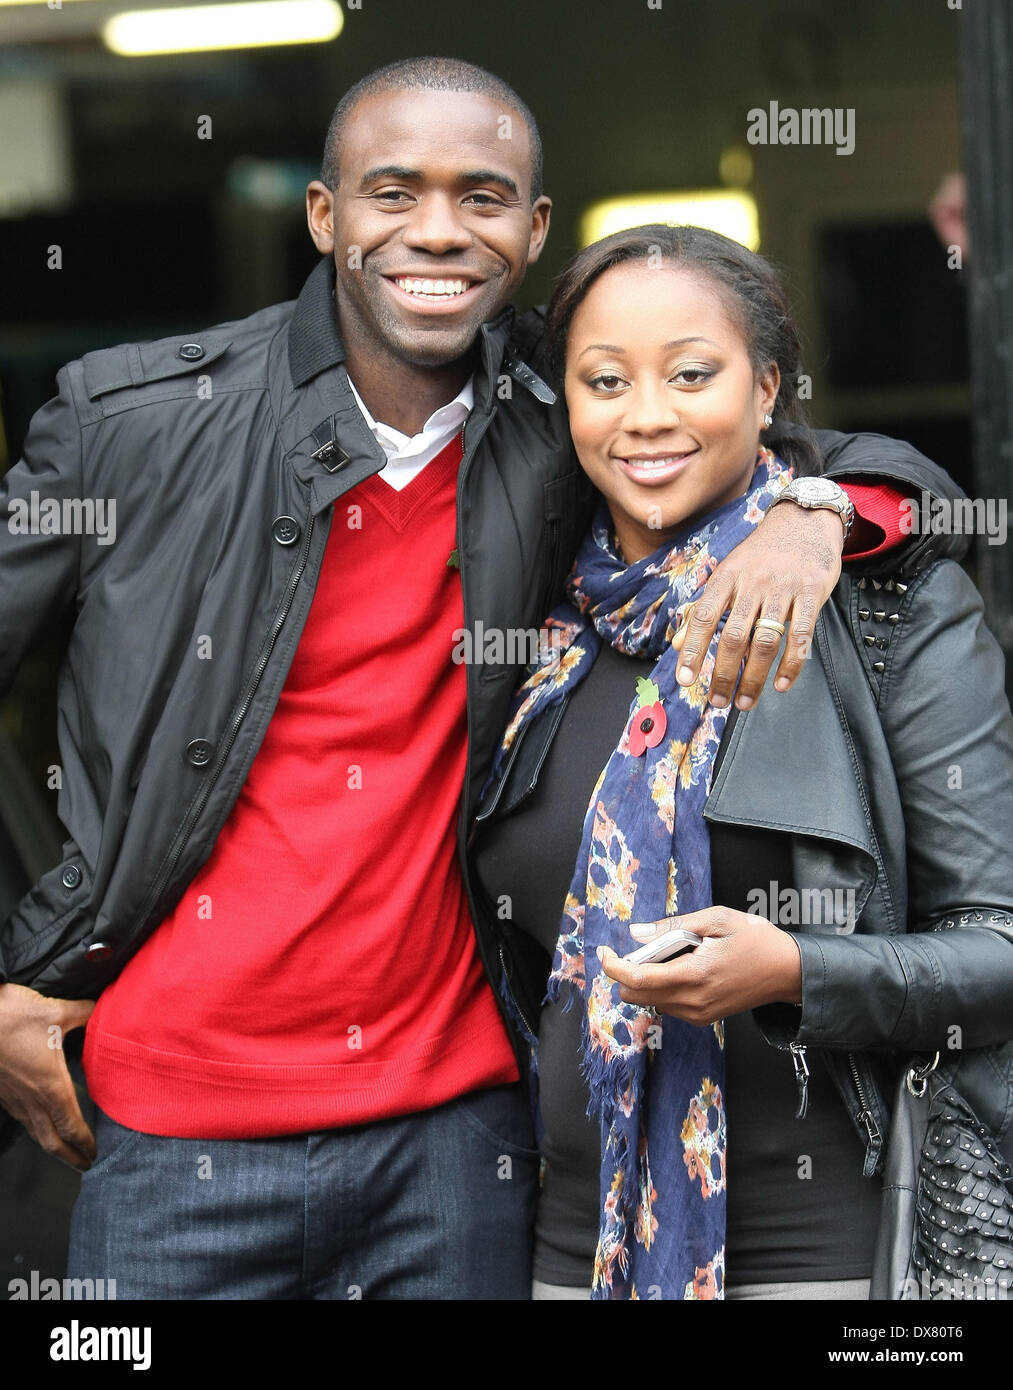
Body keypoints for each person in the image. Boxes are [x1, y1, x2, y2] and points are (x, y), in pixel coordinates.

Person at [0, 59, 969, 1300]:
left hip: (458, 1135)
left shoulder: (555, 423)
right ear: (324, 216)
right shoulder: (134, 426)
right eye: (393, 193)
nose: (438, 232)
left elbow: (862, 468)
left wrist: (818, 512)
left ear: (532, 229)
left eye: (482, 195)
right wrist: (24, 961)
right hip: (175, 1129)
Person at [471, 223, 1013, 1301]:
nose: (646, 415)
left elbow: (995, 948)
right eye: (604, 380)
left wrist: (796, 974)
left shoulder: (880, 605)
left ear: (765, 387)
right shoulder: (531, 627)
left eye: (690, 373)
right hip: (571, 1253)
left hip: (825, 1253)